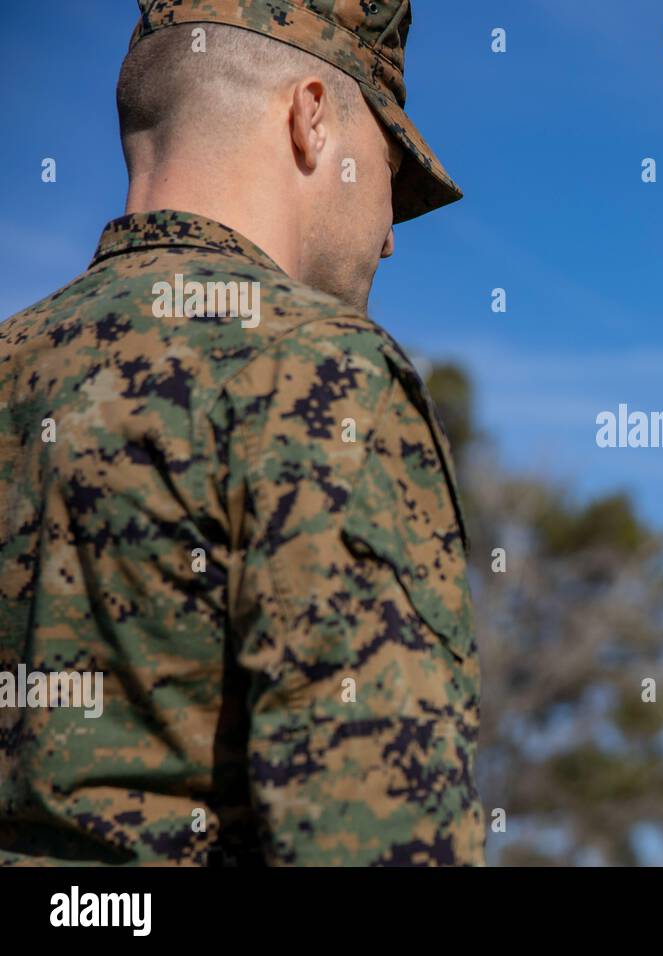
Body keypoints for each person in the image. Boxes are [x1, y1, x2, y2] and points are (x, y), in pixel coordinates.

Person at [0, 0, 483, 865]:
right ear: (310, 119)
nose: (388, 240)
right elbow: (375, 836)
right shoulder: (320, 370)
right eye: (389, 178)